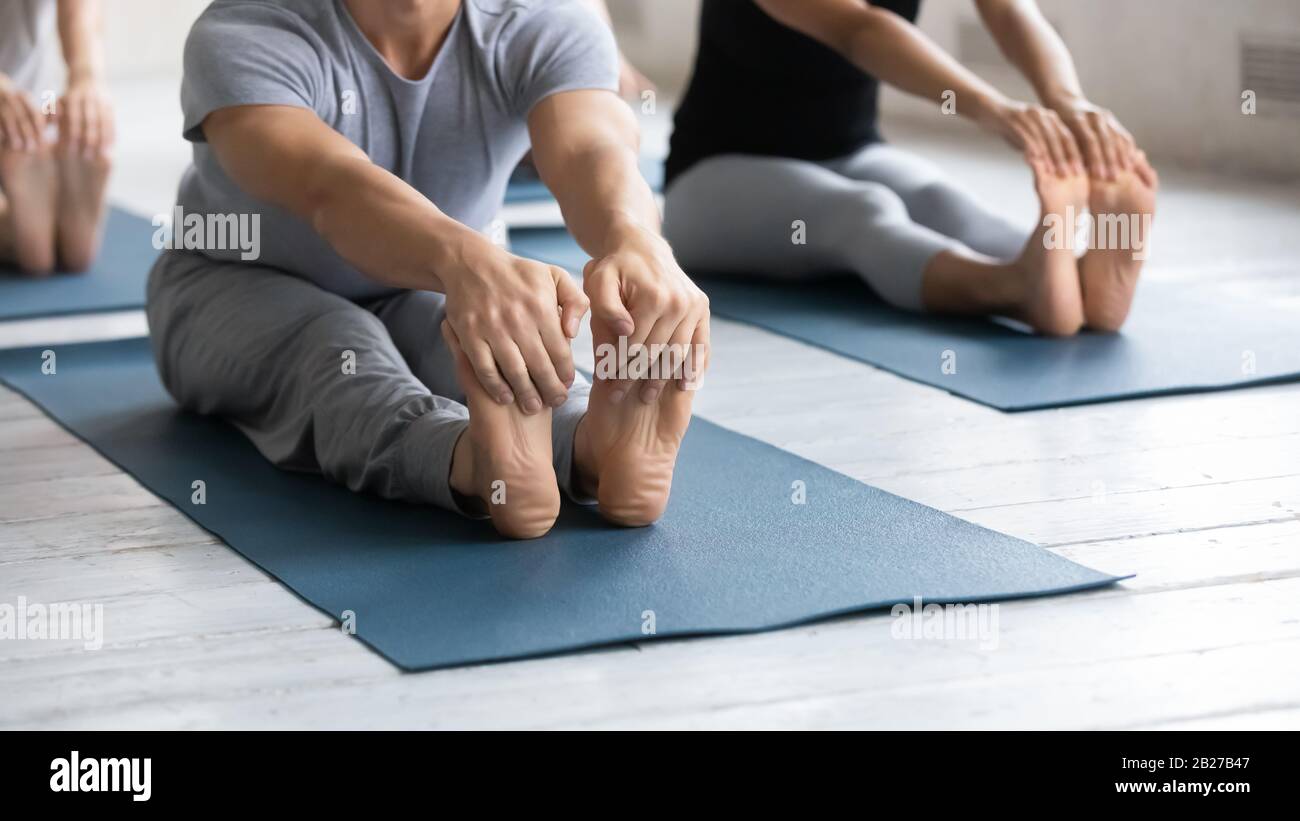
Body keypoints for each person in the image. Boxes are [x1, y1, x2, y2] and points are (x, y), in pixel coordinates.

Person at [146, 0, 709, 539]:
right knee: (337, 346)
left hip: (427, 288)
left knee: (496, 353)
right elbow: (331, 188)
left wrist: (637, 242)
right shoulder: (247, 31)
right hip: (229, 287)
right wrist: (465, 259)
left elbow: (592, 148)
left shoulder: (543, 20)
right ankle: (471, 460)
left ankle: (593, 446)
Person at [663, 0, 1158, 335]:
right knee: (863, 211)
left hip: (853, 151)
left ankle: (1077, 281)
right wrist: (997, 110)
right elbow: (859, 29)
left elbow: (1013, 12)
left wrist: (1067, 101)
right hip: (708, 180)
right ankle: (1014, 288)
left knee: (943, 203)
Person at [0, 0, 113, 275]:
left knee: (22, 143)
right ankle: (36, 221)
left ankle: (16, 227)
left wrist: (86, 78)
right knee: (26, 142)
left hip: (21, 109)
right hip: (32, 107)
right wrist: (86, 75)